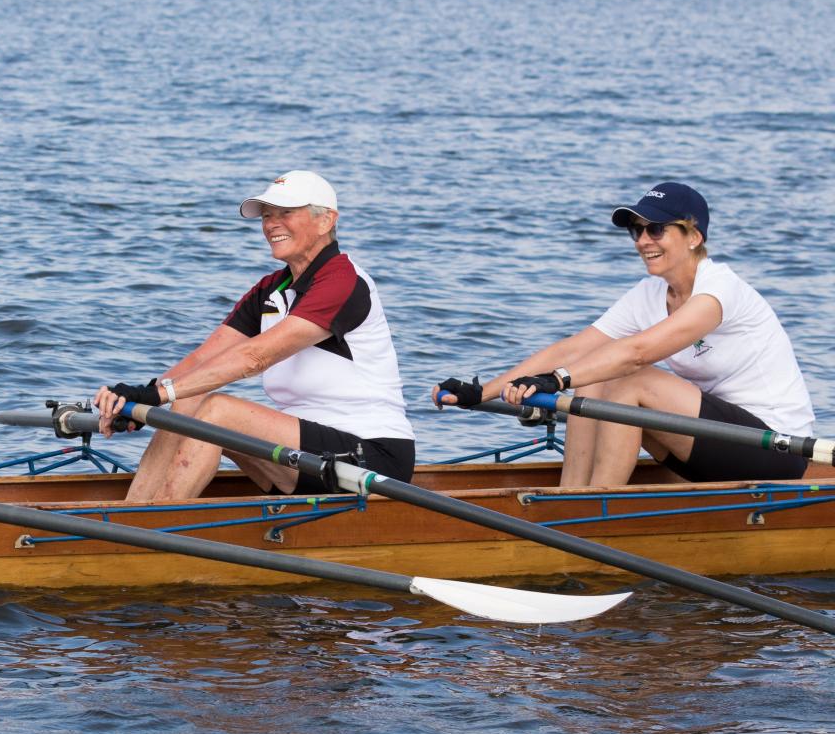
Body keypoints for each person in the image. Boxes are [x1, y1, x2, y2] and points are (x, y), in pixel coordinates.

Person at [436, 182, 815, 485]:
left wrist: (556, 380)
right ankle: (570, 496)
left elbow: (638, 353)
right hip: (709, 445)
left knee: (630, 378)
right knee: (594, 375)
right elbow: (572, 348)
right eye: (637, 230)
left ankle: (599, 506)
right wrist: (482, 392)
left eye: (656, 229)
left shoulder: (719, 290)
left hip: (775, 449)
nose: (642, 241)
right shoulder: (649, 294)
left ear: (694, 237)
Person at [93, 170, 415, 501]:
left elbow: (255, 357)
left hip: (372, 459)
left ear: (326, 221)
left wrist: (158, 396)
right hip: (304, 458)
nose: (272, 224)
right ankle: (133, 515)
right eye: (267, 215)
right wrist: (139, 399)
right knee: (188, 399)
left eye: (285, 213)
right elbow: (203, 359)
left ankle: (158, 523)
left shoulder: (342, 281)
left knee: (218, 410)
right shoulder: (271, 289)